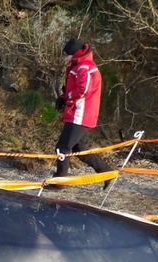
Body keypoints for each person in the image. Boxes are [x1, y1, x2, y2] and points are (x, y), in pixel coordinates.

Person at [49, 38, 113, 190]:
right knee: (80, 151)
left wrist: (68, 97)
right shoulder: (79, 66)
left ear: (74, 54)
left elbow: (83, 90)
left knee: (62, 147)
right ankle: (106, 172)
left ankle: (59, 182)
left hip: (80, 115)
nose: (64, 58)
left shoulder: (84, 67)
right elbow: (75, 89)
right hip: (81, 114)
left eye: (66, 55)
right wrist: (63, 98)